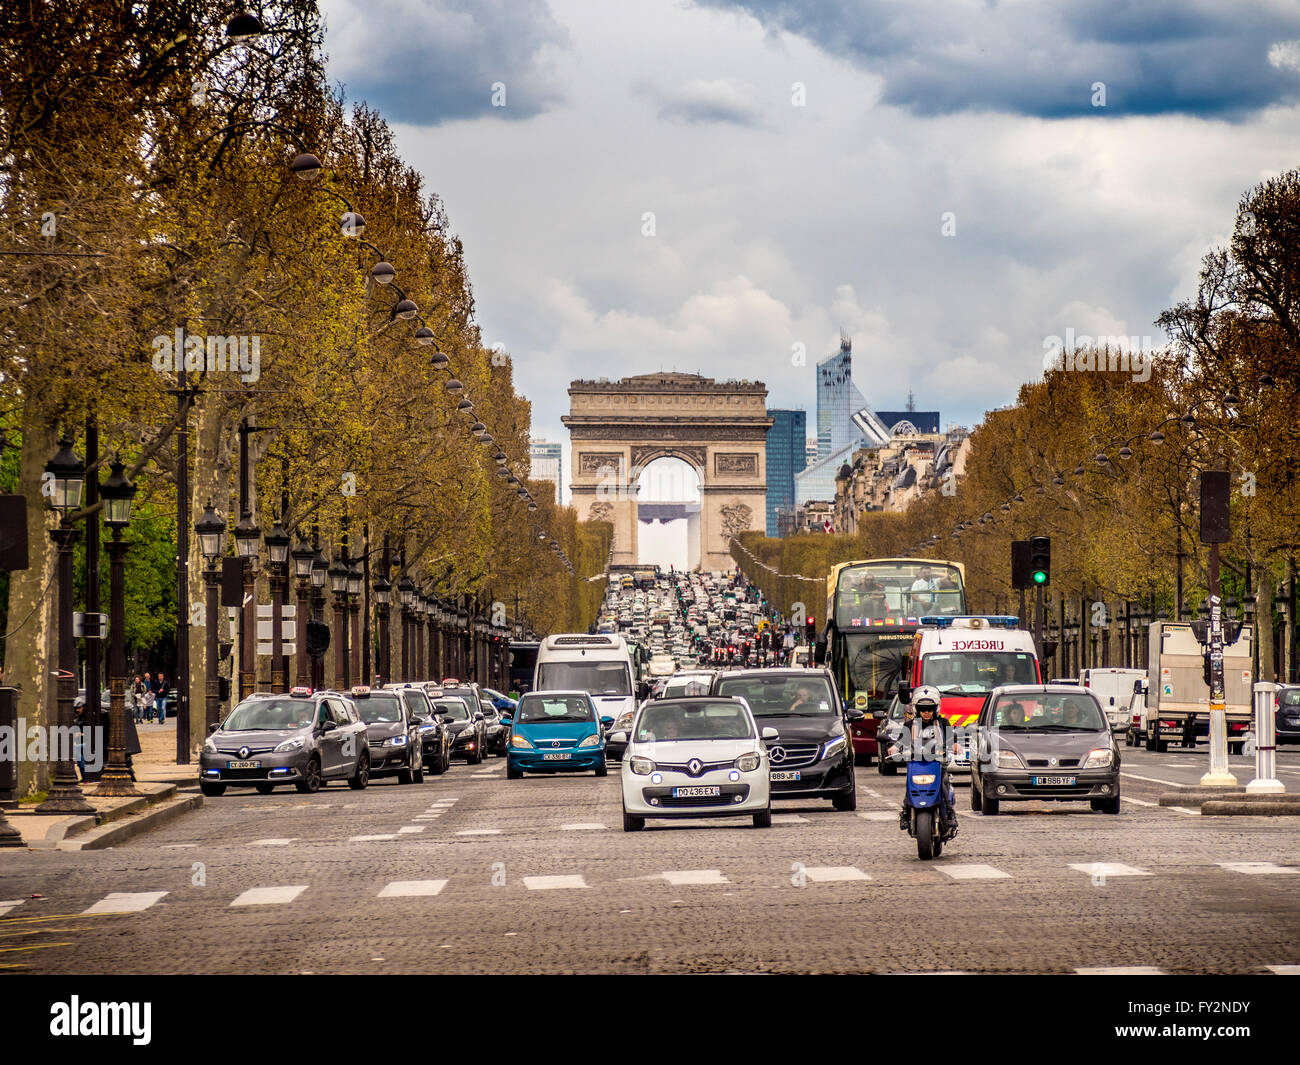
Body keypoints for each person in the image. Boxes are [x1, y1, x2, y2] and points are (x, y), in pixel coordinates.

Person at [893, 685, 957, 838]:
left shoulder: (943, 723)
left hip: (937, 764)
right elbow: (901, 741)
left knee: (944, 783)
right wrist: (894, 749)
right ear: (917, 709)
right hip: (916, 764)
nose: (926, 712)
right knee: (909, 785)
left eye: (929, 709)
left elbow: (951, 739)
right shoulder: (909, 725)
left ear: (936, 709)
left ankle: (949, 814)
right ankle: (906, 812)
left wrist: (955, 745)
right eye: (923, 709)